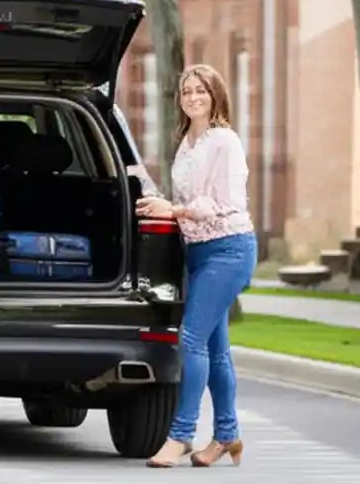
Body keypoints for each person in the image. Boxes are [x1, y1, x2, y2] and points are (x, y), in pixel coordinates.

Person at [134, 64, 257, 469]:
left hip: (230, 248)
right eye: (186, 91)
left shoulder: (224, 141)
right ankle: (227, 435)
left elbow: (227, 203)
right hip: (199, 252)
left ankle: (181, 434)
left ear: (215, 94)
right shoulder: (187, 141)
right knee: (216, 350)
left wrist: (176, 210)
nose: (193, 97)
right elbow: (188, 198)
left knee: (190, 339)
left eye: (200, 90)